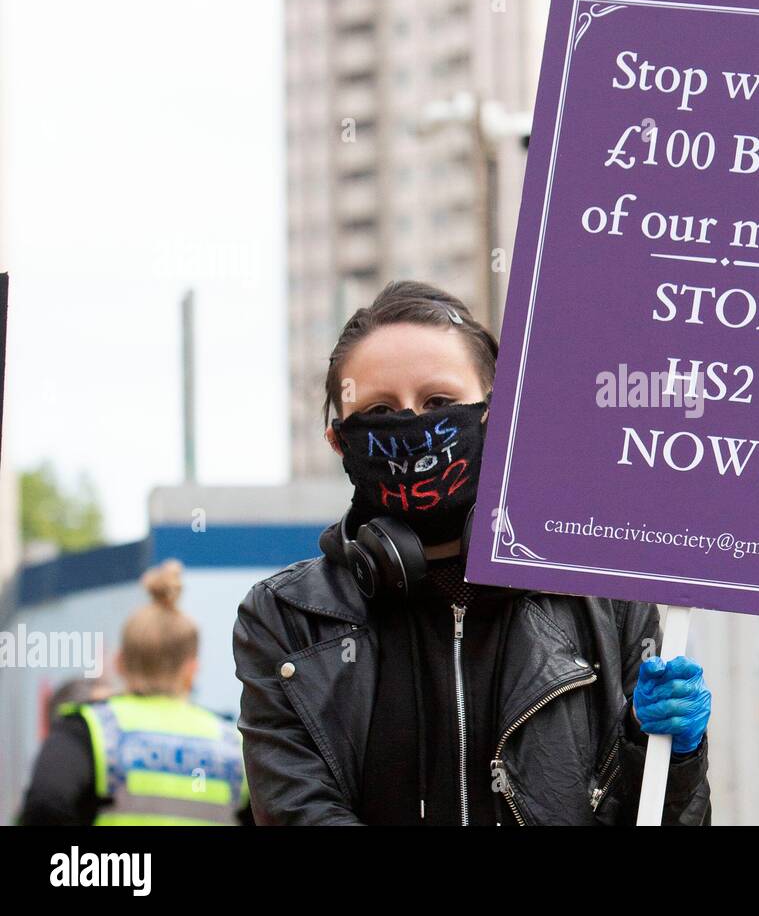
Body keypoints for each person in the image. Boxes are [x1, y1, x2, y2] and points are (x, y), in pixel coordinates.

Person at [232, 281, 712, 825]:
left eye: (438, 402)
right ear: (339, 439)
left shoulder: (606, 598)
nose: (412, 423)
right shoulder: (285, 619)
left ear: (497, 415)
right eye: (381, 409)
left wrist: (671, 760)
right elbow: (297, 813)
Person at [20, 560, 252, 825]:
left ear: (120, 663)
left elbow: (45, 806)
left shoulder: (87, 730)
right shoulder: (235, 746)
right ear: (191, 669)